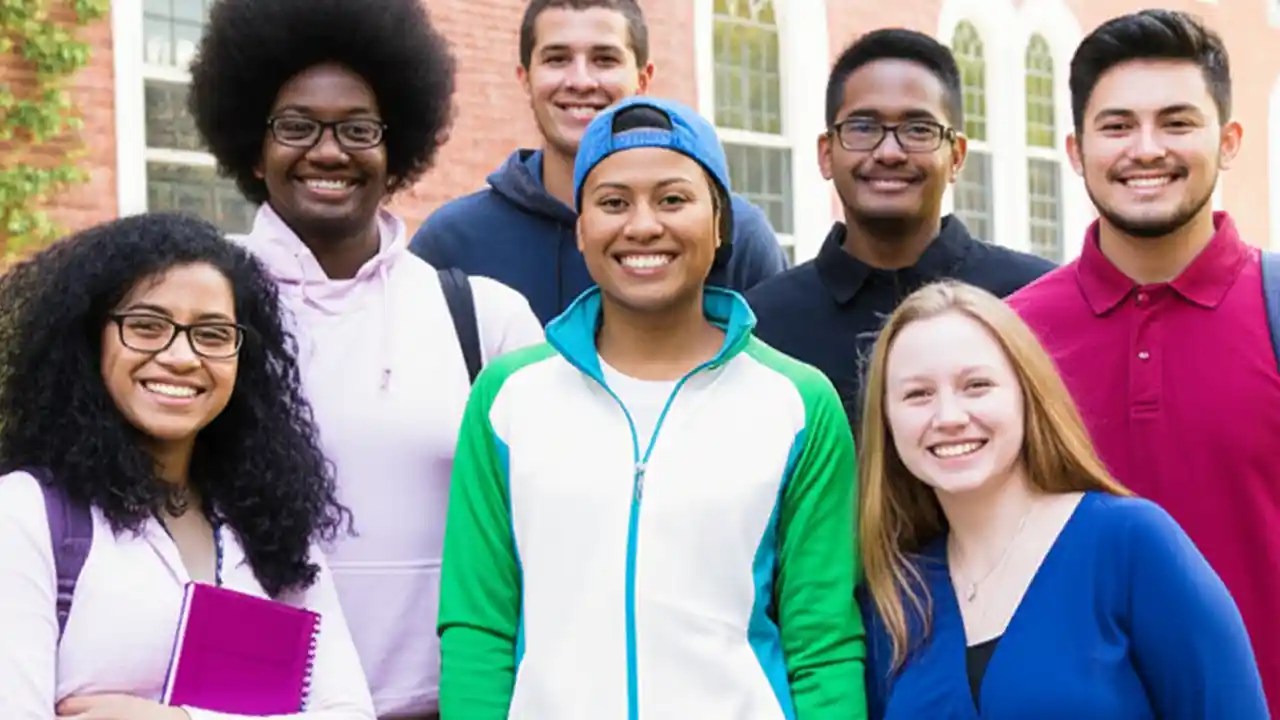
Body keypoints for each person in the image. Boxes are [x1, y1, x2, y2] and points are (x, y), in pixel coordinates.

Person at [436, 96, 865, 719]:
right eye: (612, 203)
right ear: (581, 227)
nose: (642, 226)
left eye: (672, 199)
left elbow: (822, 642)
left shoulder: (798, 403)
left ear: (720, 224)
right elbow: (479, 627)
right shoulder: (508, 398)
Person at [186, 1, 543, 717]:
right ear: (253, 148)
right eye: (296, 126)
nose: (328, 151)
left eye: (358, 128)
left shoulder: (482, 317)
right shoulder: (201, 308)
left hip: (446, 701)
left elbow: (546, 522)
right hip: (251, 702)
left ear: (396, 148)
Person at [1006, 10, 1279, 713]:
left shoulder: (1276, 307)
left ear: (1229, 140)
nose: (1146, 149)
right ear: (1075, 149)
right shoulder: (1013, 336)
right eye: (1118, 126)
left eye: (1178, 122)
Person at [0, 213, 375, 720]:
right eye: (147, 326)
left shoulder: (269, 522)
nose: (181, 357)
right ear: (91, 340)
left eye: (213, 333)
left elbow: (349, 713)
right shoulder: (26, 514)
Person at [857, 280, 1266, 718]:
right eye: (918, 394)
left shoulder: (1130, 545)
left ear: (1026, 394)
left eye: (976, 385)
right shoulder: (899, 593)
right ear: (886, 418)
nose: (950, 417)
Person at [409, 0, 788, 326]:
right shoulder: (452, 243)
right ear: (525, 78)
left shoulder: (733, 236)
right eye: (557, 59)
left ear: (643, 78)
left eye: (604, 59)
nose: (580, 80)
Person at [747, 29, 1053, 425]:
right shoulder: (764, 328)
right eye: (862, 128)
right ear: (826, 154)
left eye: (918, 130)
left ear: (956, 156)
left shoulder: (1031, 301)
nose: (889, 152)